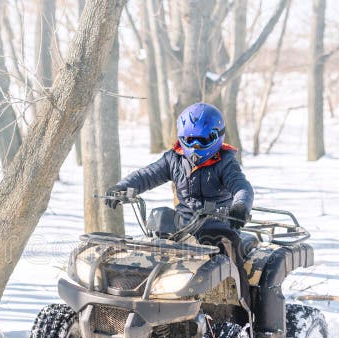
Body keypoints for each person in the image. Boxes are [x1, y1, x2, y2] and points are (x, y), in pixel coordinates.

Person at [105, 102, 254, 296]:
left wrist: (241, 206)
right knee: (156, 235)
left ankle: (244, 307)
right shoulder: (174, 159)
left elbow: (242, 187)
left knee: (230, 253)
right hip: (183, 224)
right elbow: (147, 175)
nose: (195, 146)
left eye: (203, 139)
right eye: (190, 139)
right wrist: (122, 187)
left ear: (217, 136)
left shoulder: (225, 162)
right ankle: (150, 295)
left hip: (218, 224)